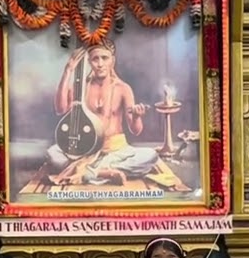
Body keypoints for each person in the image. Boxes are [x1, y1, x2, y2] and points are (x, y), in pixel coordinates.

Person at [45, 40, 190, 192]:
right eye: (95, 59)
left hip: (116, 150)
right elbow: (60, 109)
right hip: (85, 149)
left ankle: (89, 172)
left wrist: (136, 117)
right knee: (53, 153)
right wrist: (67, 72)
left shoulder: (122, 88)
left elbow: (136, 130)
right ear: (89, 62)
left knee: (150, 155)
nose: (100, 64)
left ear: (112, 61)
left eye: (104, 58)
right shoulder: (82, 87)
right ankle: (98, 172)